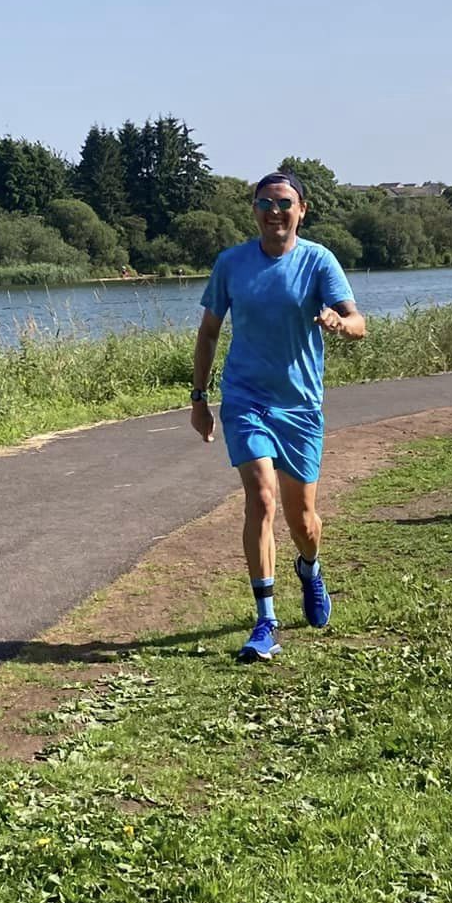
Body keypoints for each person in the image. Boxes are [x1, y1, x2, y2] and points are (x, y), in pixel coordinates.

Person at [190, 170, 367, 661]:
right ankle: (265, 620)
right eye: (265, 203)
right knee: (261, 498)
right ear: (254, 211)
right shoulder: (232, 264)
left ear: (301, 210)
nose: (274, 211)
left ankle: (309, 569)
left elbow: (359, 322)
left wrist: (339, 322)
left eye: (284, 203)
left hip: (300, 406)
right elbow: (208, 333)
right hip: (245, 399)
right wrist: (200, 397)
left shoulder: (318, 261)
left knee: (303, 519)